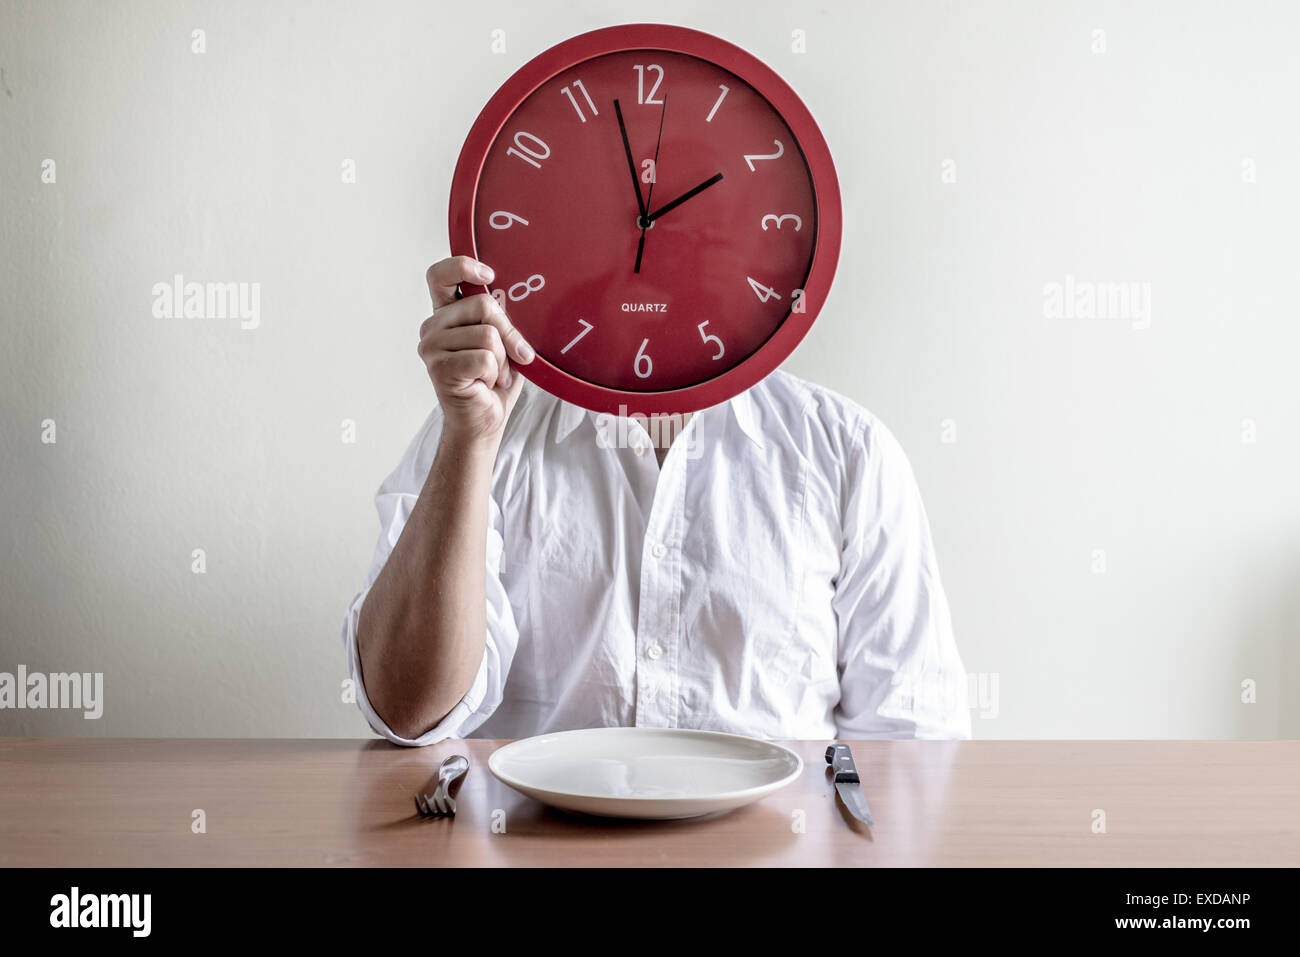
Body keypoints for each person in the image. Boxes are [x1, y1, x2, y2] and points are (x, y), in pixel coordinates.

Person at [340, 256, 970, 745]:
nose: (658, 262)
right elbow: (407, 712)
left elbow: (910, 739)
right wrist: (471, 436)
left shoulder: (846, 451)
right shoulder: (480, 427)